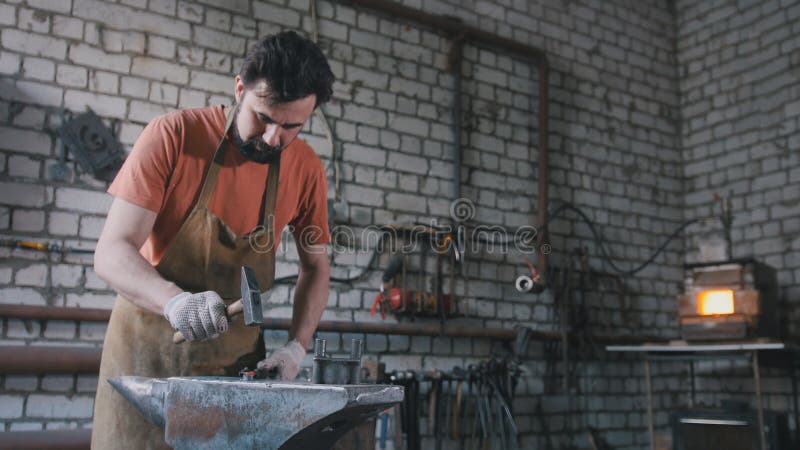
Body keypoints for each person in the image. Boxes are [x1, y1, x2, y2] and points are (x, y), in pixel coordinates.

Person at [90, 31, 335, 449]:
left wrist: (296, 347)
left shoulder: (305, 167)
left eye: (292, 126)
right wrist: (174, 301)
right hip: (148, 365)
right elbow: (111, 252)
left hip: (235, 376)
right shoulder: (174, 136)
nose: (275, 138)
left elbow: (316, 268)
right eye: (264, 118)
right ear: (240, 88)